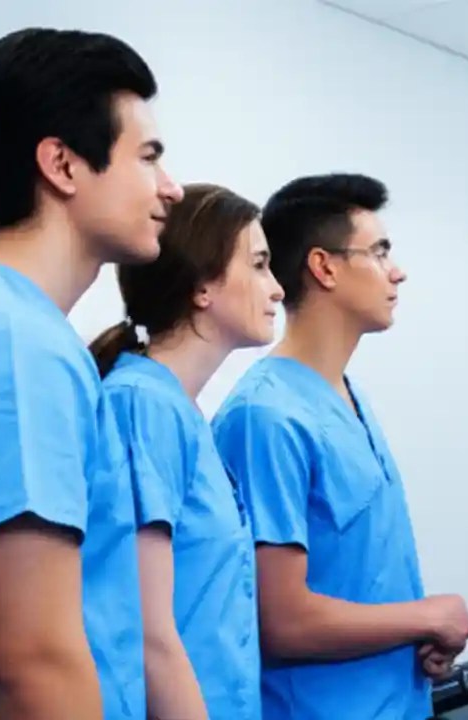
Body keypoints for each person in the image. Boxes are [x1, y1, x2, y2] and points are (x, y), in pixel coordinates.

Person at [0, 28, 182, 719]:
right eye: (148, 157)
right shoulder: (13, 343)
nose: (171, 189)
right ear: (61, 164)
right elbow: (35, 664)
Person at [212, 173, 468, 719]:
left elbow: (362, 577)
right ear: (324, 266)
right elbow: (282, 621)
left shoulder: (348, 397)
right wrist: (425, 618)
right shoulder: (266, 417)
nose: (397, 270)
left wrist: (420, 638)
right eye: (379, 251)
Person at [89, 183, 282, 719]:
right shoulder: (142, 405)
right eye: (260, 265)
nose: (278, 289)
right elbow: (150, 634)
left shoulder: (182, 411)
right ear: (202, 286)